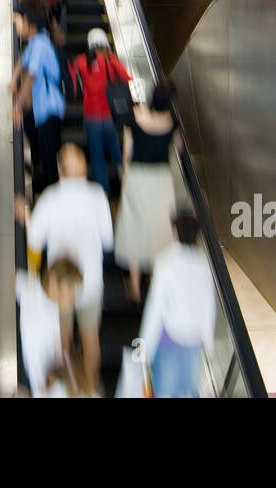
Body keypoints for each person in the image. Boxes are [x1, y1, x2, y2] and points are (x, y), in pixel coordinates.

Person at [20, 143, 113, 393]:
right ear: (84, 169)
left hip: (61, 286)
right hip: (91, 282)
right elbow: (107, 240)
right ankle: (89, 389)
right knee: (90, 338)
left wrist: (26, 215)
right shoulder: (98, 195)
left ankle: (62, 389)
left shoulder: (50, 197)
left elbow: (35, 240)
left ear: (60, 170)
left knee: (61, 342)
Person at [115, 81, 183, 303]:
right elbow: (178, 148)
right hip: (161, 179)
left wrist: (126, 175)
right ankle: (154, 282)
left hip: (137, 176)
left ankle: (134, 286)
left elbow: (127, 152)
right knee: (158, 229)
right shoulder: (172, 122)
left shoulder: (134, 116)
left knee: (135, 226)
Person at [139, 211, 218, 398]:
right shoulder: (204, 264)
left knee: (165, 391)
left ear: (175, 231)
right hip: (195, 340)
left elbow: (155, 305)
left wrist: (145, 344)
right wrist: (208, 341)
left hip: (169, 337)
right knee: (189, 392)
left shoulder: (166, 261)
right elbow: (209, 305)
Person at [11, 9, 65, 194]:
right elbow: (23, 63)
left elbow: (31, 75)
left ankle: (54, 205)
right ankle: (37, 179)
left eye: (19, 21)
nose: (16, 25)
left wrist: (17, 106)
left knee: (50, 162)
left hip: (49, 108)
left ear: (30, 23)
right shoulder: (36, 43)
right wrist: (13, 79)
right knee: (38, 150)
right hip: (40, 111)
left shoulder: (41, 44)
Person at [72, 28, 131, 197]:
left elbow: (71, 78)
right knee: (116, 151)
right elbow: (127, 78)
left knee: (97, 158)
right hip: (110, 117)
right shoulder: (112, 61)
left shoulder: (82, 61)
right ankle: (126, 180)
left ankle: (103, 195)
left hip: (91, 117)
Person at [15, 258, 83, 398]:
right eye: (69, 291)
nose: (73, 299)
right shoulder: (50, 323)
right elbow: (53, 372)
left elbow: (15, 278)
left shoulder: (32, 287)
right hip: (40, 387)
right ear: (53, 283)